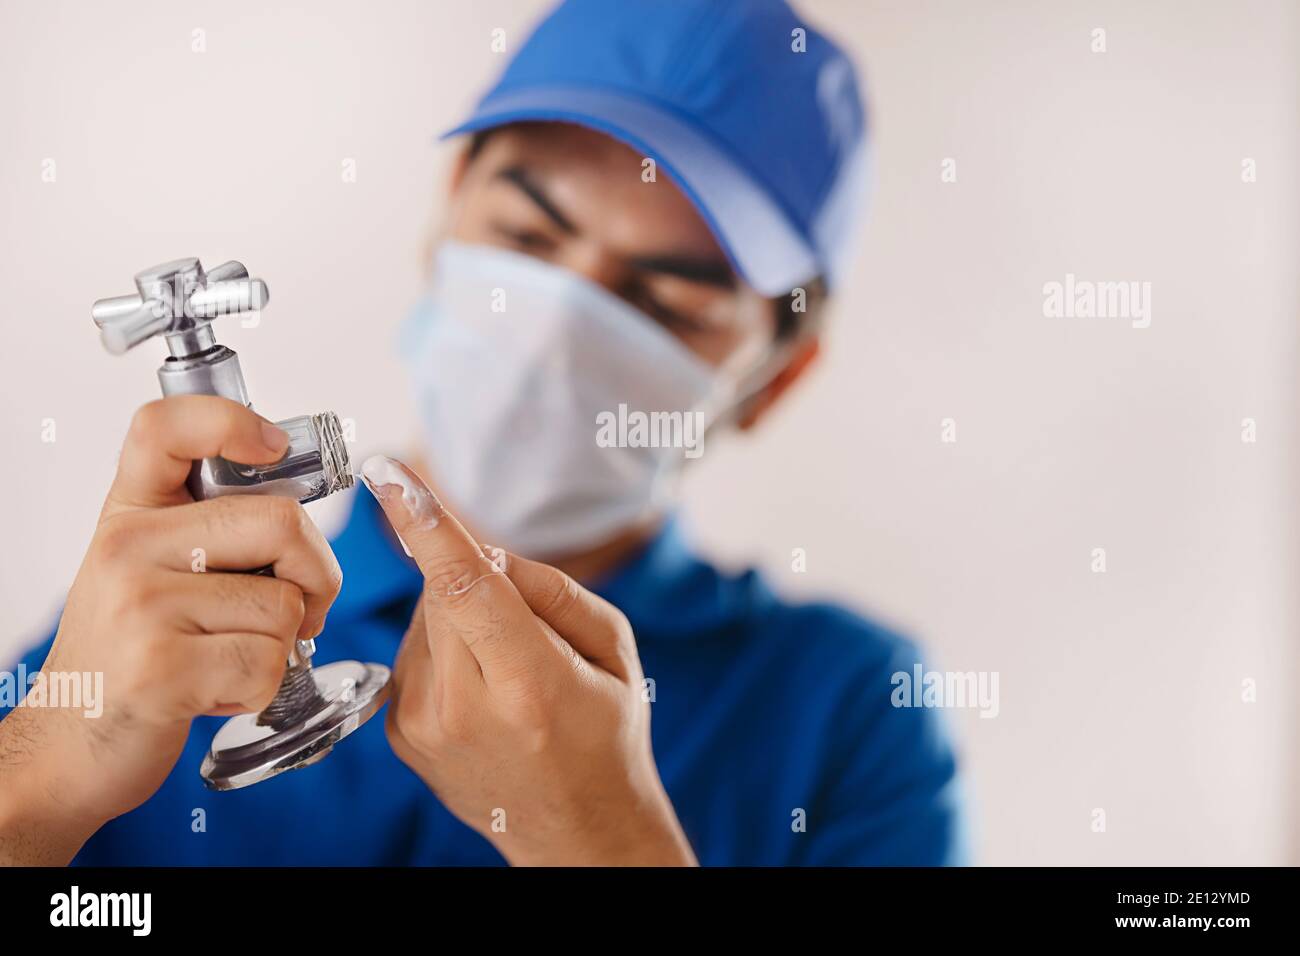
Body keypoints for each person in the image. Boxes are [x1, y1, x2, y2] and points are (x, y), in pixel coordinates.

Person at [0, 0, 963, 866]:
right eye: (528, 242)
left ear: (773, 383)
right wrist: (44, 767)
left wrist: (599, 835)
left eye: (659, 301)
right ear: (447, 210)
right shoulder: (153, 630)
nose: (554, 335)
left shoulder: (844, 714)